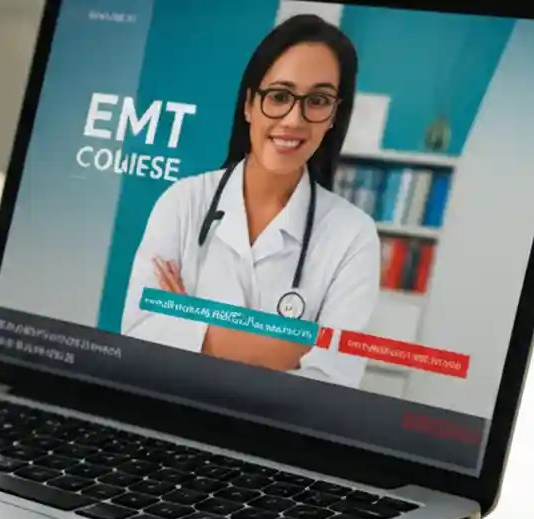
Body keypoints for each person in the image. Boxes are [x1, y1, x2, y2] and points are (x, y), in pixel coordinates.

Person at [120, 14, 380, 388]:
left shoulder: (353, 235)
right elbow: (138, 335)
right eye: (278, 96)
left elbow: (333, 382)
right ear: (249, 105)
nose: (294, 119)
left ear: (333, 117)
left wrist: (190, 322)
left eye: (318, 100)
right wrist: (286, 347)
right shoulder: (183, 202)